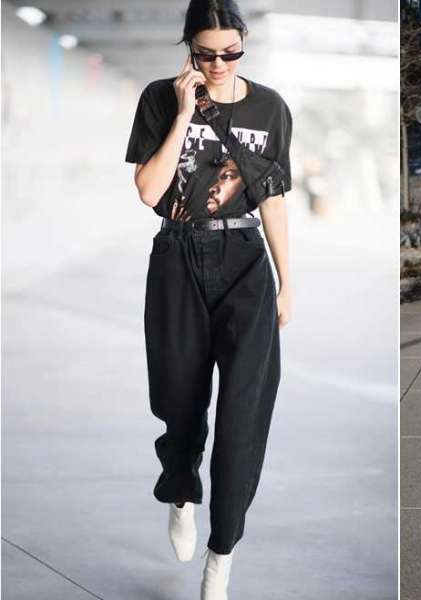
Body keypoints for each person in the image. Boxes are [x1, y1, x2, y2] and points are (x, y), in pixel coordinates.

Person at [125, 1, 293, 597]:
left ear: (244, 43)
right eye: (205, 54)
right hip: (176, 256)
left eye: (231, 53)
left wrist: (288, 281)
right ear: (188, 50)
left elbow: (272, 198)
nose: (219, 64)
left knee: (244, 412)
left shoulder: (270, 108)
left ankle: (222, 552)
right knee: (179, 399)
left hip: (245, 261)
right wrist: (182, 112)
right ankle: (180, 489)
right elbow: (150, 191)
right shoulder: (158, 97)